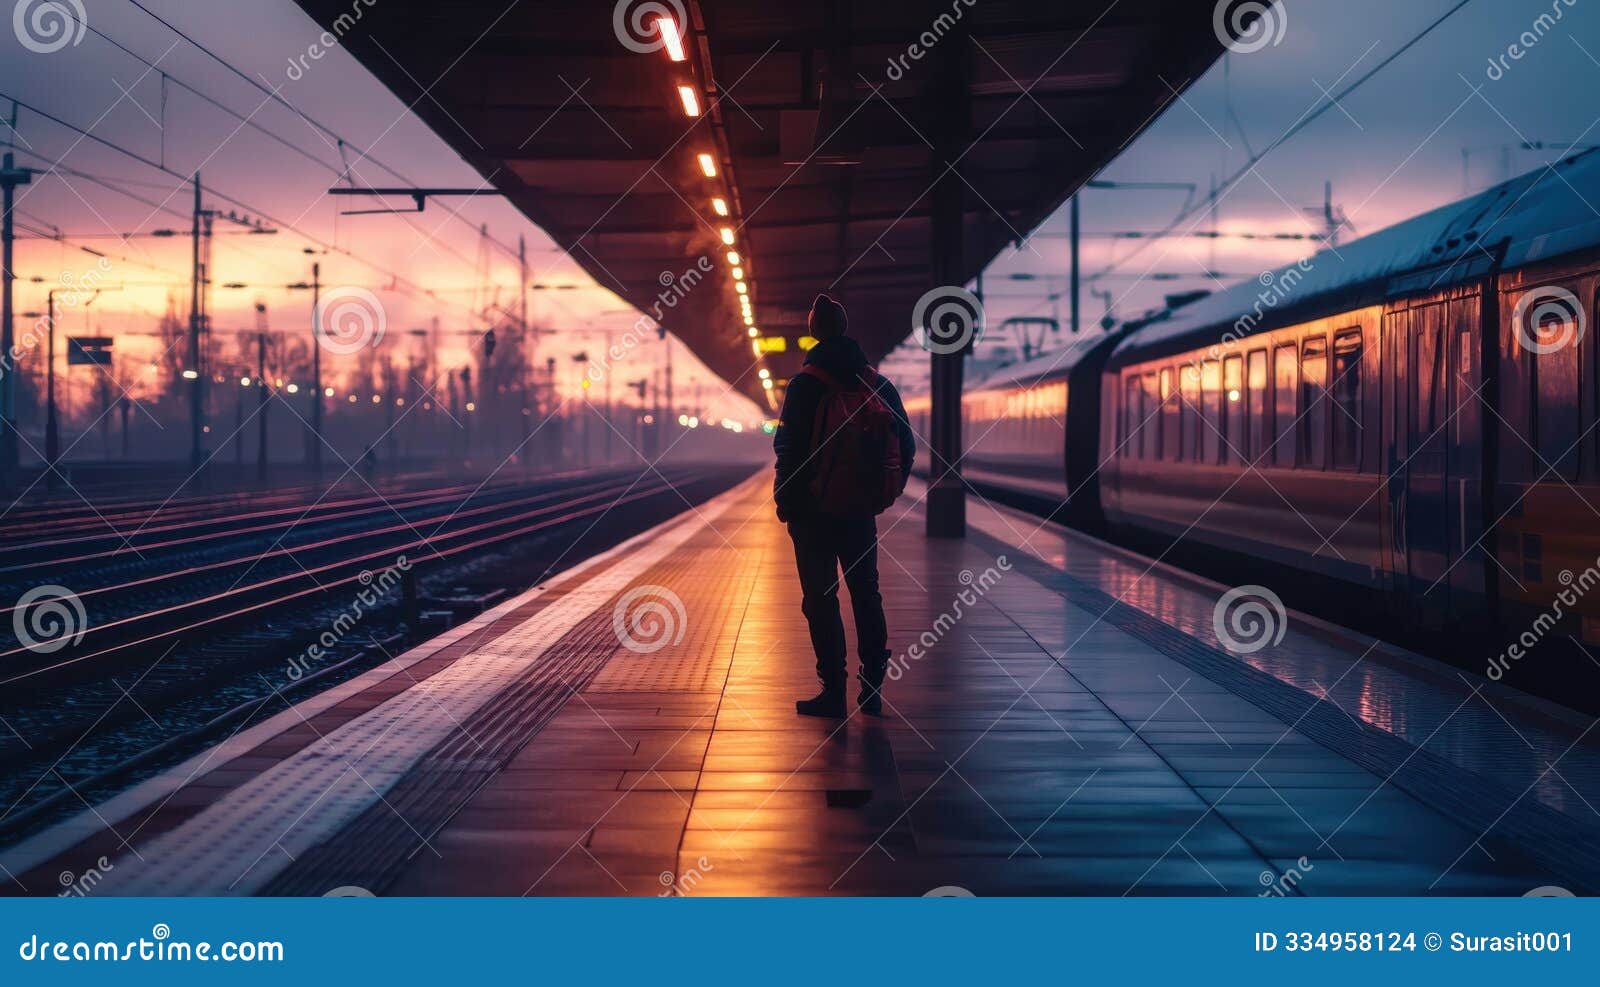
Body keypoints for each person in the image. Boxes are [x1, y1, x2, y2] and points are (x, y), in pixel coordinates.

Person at [773, 294, 914, 718]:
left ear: (815, 332)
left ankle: (832, 691)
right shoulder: (877, 382)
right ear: (847, 328)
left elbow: (789, 449)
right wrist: (885, 490)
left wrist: (787, 501)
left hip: (813, 514)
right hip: (859, 511)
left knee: (821, 597)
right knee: (866, 593)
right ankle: (871, 690)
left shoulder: (805, 384)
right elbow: (906, 443)